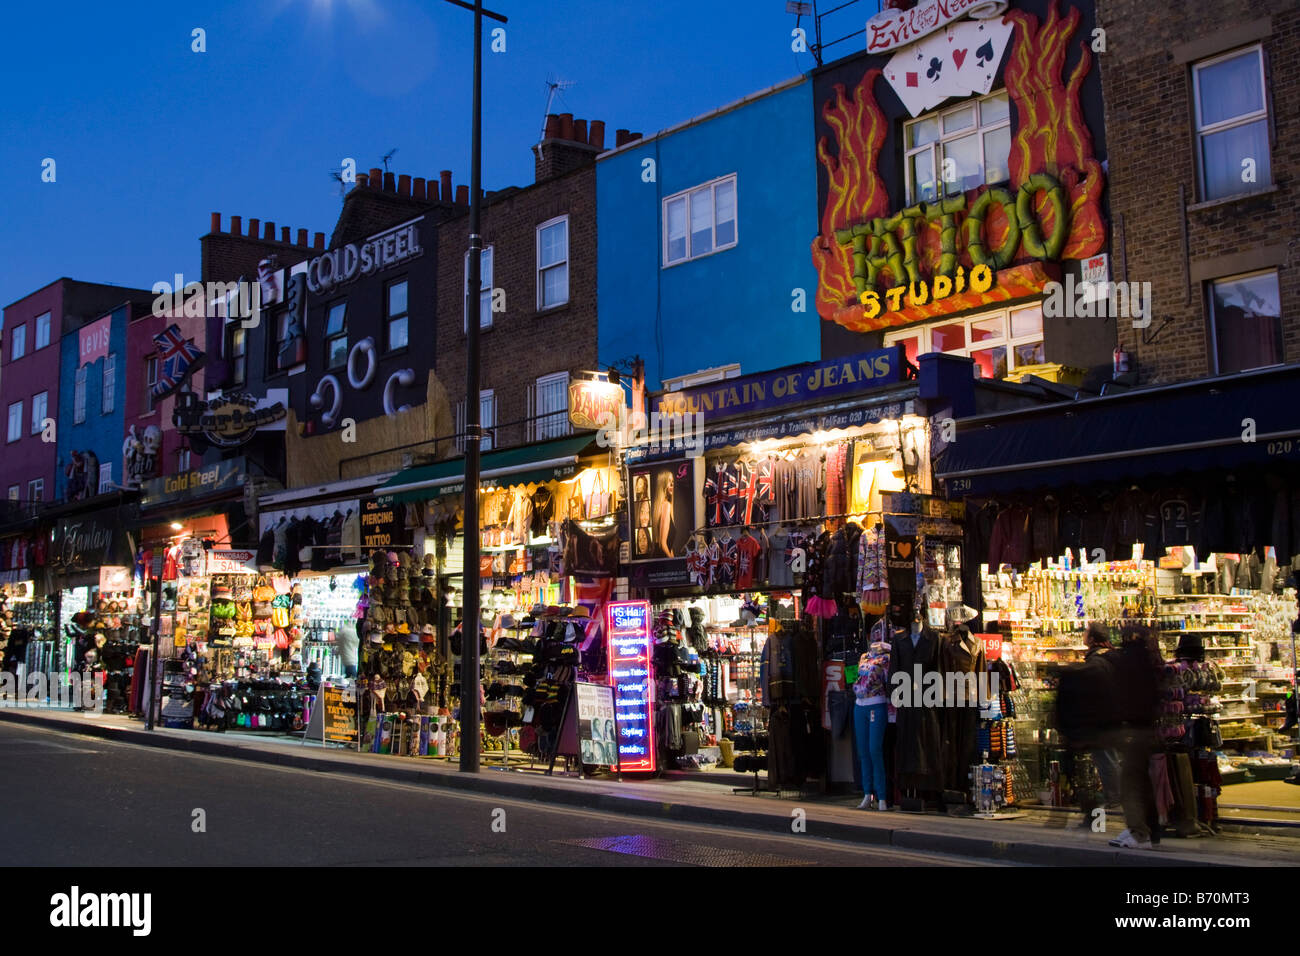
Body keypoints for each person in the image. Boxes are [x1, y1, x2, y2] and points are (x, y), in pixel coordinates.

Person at [1057, 623, 1120, 822]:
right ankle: (1111, 801)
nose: (1083, 635)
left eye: (1085, 633)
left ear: (1092, 639)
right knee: (1111, 760)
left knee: (1106, 760)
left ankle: (1114, 801)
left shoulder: (1097, 662)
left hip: (1103, 722)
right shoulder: (1110, 657)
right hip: (1112, 719)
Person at [1108, 624, 1163, 849]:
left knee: (1130, 783)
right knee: (1142, 782)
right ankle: (1149, 830)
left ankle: (1139, 833)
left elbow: (1123, 697)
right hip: (1149, 728)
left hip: (1134, 730)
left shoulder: (1129, 663)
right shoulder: (1148, 662)